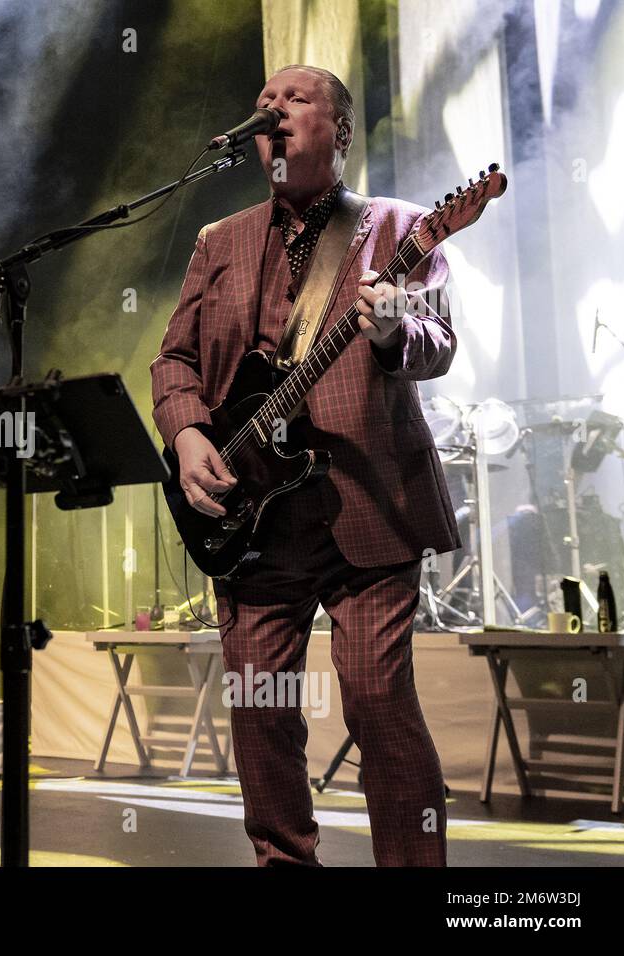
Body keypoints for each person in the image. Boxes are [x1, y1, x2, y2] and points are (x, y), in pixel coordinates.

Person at [151, 65, 460, 866]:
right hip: (256, 519)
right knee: (262, 714)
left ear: (341, 130)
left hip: (368, 506)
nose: (271, 109)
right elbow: (175, 363)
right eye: (262, 101)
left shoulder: (400, 227)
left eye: (293, 99)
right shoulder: (219, 243)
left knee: (375, 699)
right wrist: (189, 435)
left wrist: (394, 330)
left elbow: (439, 345)